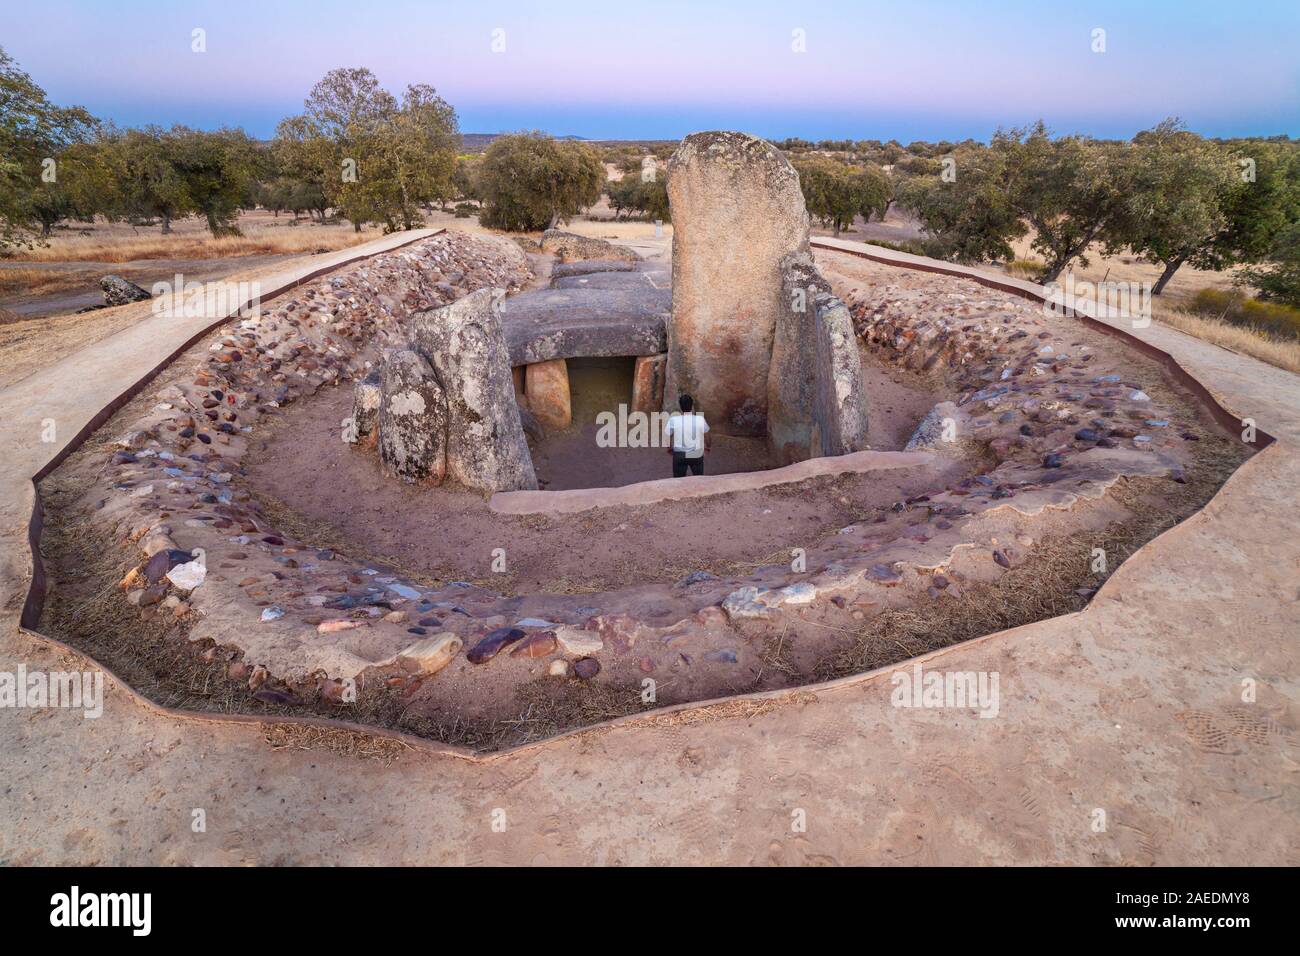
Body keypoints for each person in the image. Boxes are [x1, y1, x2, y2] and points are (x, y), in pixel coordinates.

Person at [665, 393, 711, 477]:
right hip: (696, 453)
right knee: (699, 479)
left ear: (680, 406)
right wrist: (707, 447)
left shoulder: (673, 420)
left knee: (678, 480)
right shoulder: (700, 419)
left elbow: (667, 436)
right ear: (691, 405)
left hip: (679, 453)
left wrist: (669, 448)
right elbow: (707, 436)